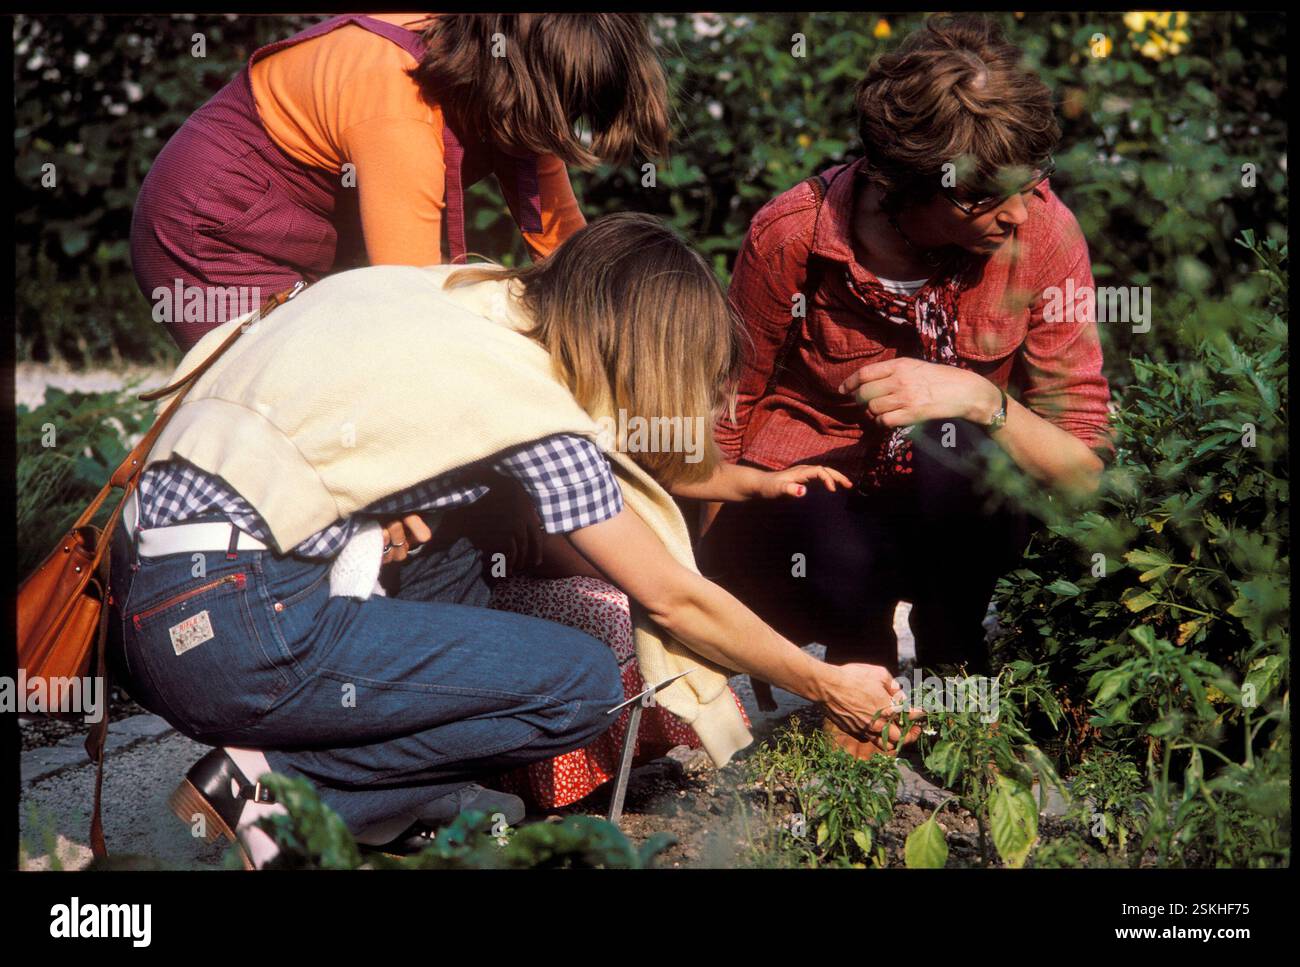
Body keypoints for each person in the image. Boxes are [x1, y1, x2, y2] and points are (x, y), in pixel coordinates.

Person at [107, 213, 915, 868]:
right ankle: (281, 788)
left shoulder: (456, 300)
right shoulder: (536, 412)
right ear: (643, 351)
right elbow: (670, 592)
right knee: (580, 681)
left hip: (141, 600)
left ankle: (392, 802)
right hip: (234, 632)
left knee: (472, 526)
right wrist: (821, 679)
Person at [698, 15, 1115, 757]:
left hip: (953, 523)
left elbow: (1083, 465)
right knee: (818, 510)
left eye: (1028, 185)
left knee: (955, 443)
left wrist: (981, 396)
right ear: (903, 185)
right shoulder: (794, 237)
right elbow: (724, 420)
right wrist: (686, 600)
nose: (1016, 213)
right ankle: (861, 680)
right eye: (984, 199)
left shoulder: (1043, 236)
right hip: (815, 532)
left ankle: (957, 662)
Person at [130, 13, 669, 350]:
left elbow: (565, 245)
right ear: (524, 87)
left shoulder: (501, 63)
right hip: (212, 222)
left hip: (312, 221)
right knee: (285, 393)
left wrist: (625, 329)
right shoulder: (398, 109)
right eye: (563, 112)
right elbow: (408, 305)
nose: (562, 130)